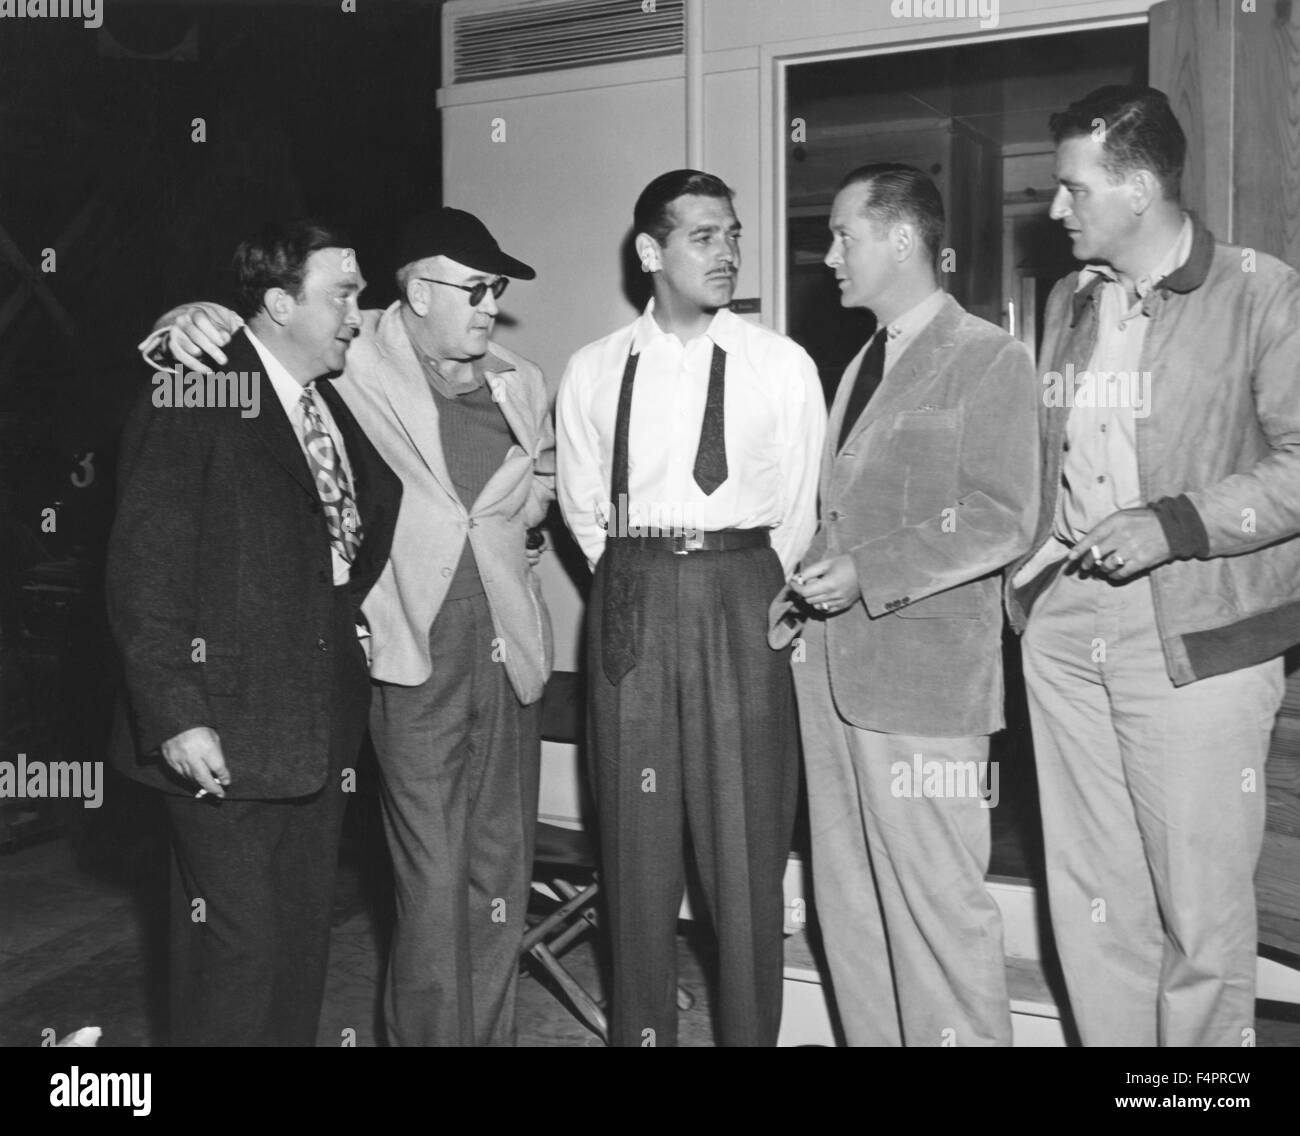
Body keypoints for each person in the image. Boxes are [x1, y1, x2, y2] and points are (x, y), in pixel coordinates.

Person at [148, 208, 555, 1047]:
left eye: (498, 289)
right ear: (415, 290)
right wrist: (177, 320)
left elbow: (534, 487)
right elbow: (261, 324)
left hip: (508, 652)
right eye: (476, 287)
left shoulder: (521, 380)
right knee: (430, 883)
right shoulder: (352, 350)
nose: (492, 305)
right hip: (408, 649)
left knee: (498, 878)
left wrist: (528, 523)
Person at [1008, 85, 1300, 1046]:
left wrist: (1177, 523)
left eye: (1072, 189)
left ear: (1137, 189)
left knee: (1201, 914)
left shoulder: (1263, 290)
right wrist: (1029, 585)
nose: (1055, 210)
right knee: (1093, 901)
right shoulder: (1070, 301)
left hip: (1196, 633)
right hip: (1066, 629)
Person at [108, 220, 402, 1046]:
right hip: (218, 727)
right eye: (342, 292)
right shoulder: (199, 386)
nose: (359, 309)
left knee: (299, 948)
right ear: (279, 303)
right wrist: (173, 710)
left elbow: (345, 534)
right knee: (235, 954)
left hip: (313, 726)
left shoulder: (324, 401)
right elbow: (145, 565)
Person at [556, 169, 825, 1046]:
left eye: (733, 234)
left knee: (743, 848)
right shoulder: (594, 370)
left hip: (742, 587)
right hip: (631, 590)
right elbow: (584, 510)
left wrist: (728, 580)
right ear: (651, 252)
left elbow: (798, 507)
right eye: (704, 235)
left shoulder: (780, 364)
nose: (727, 251)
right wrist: (646, 574)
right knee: (633, 851)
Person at [771, 164, 1039, 1046]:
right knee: (850, 912)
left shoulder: (989, 356)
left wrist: (865, 575)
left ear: (900, 239)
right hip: (833, 680)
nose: (829, 253)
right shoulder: (861, 364)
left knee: (939, 918)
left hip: (924, 691)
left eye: (844, 235)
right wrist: (805, 584)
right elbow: (851, 511)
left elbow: (1002, 517)